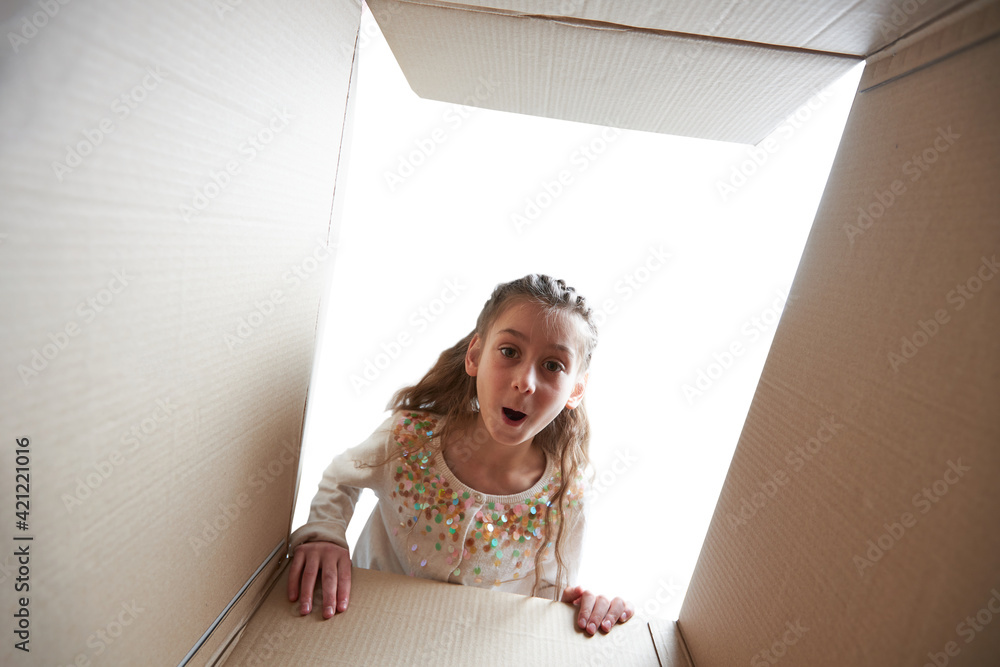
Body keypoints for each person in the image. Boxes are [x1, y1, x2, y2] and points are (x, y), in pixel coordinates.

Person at [286, 274, 634, 636]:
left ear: (576, 390)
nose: (525, 382)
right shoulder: (408, 438)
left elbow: (548, 597)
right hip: (360, 627)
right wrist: (325, 533)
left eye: (552, 365)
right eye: (509, 352)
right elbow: (341, 477)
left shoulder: (567, 493)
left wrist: (586, 606)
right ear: (475, 356)